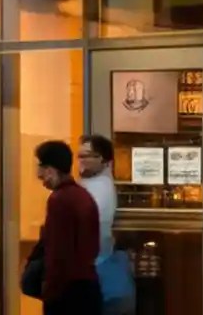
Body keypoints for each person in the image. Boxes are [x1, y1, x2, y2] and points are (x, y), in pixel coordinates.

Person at [36, 140, 102, 315]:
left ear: (50, 170)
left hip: (67, 292)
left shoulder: (59, 200)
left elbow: (58, 253)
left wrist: (49, 291)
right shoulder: (83, 195)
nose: (39, 176)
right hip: (87, 286)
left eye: (41, 171)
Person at [79, 135, 133, 315]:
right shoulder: (89, 184)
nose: (82, 160)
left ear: (102, 159)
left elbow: (94, 226)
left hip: (96, 269)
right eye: (80, 156)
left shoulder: (101, 187)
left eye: (87, 155)